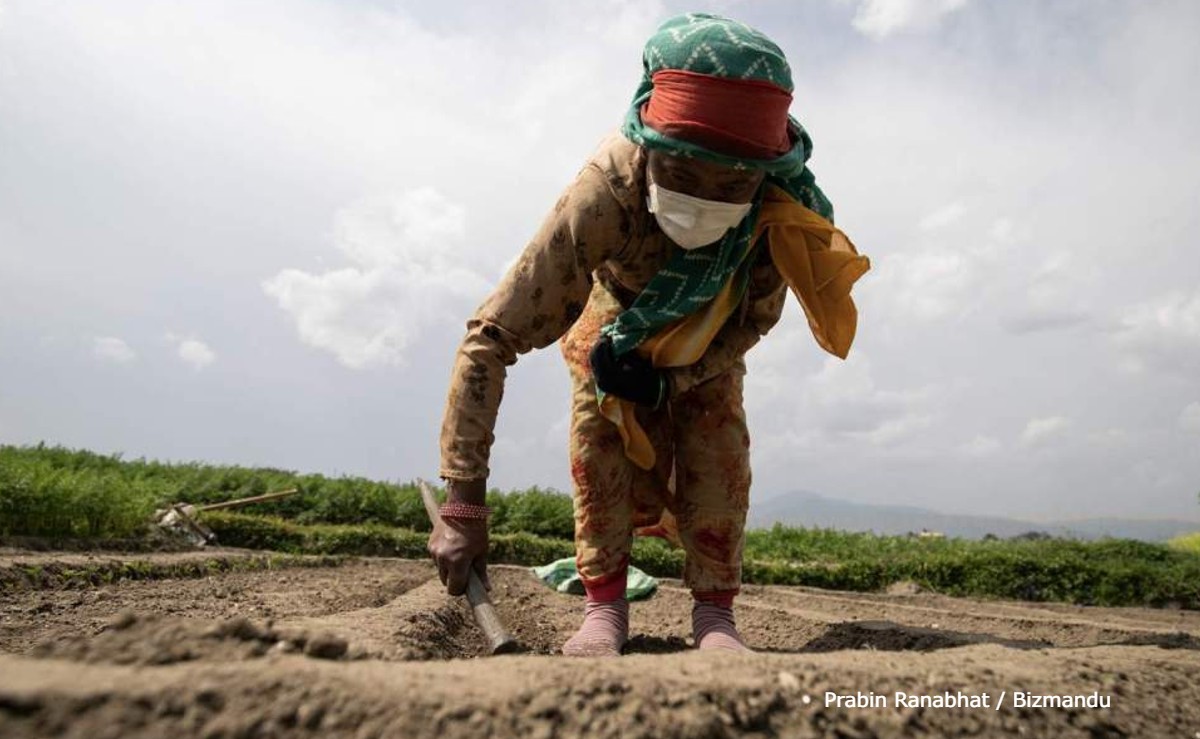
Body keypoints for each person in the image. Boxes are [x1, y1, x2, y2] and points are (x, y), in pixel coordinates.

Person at [428, 12, 869, 657]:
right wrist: (463, 509)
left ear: (766, 172)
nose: (707, 196)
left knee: (718, 447)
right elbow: (491, 336)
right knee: (598, 437)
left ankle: (715, 616)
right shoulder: (605, 193)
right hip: (613, 312)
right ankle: (605, 609)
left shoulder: (782, 213)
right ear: (649, 145)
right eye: (685, 173)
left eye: (733, 181)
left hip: (710, 327)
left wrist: (679, 375)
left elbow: (754, 317)